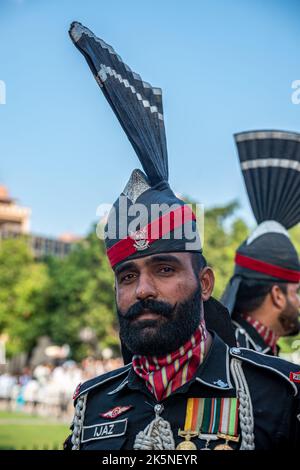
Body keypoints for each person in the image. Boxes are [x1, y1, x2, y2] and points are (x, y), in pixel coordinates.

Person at [65, 22, 300, 450]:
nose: (143, 290)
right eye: (127, 276)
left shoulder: (277, 396)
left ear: (205, 283)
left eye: (165, 268)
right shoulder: (91, 406)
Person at [221, 131, 300, 355]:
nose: (299, 302)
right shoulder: (238, 353)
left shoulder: (254, 348)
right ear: (277, 294)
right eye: (296, 291)